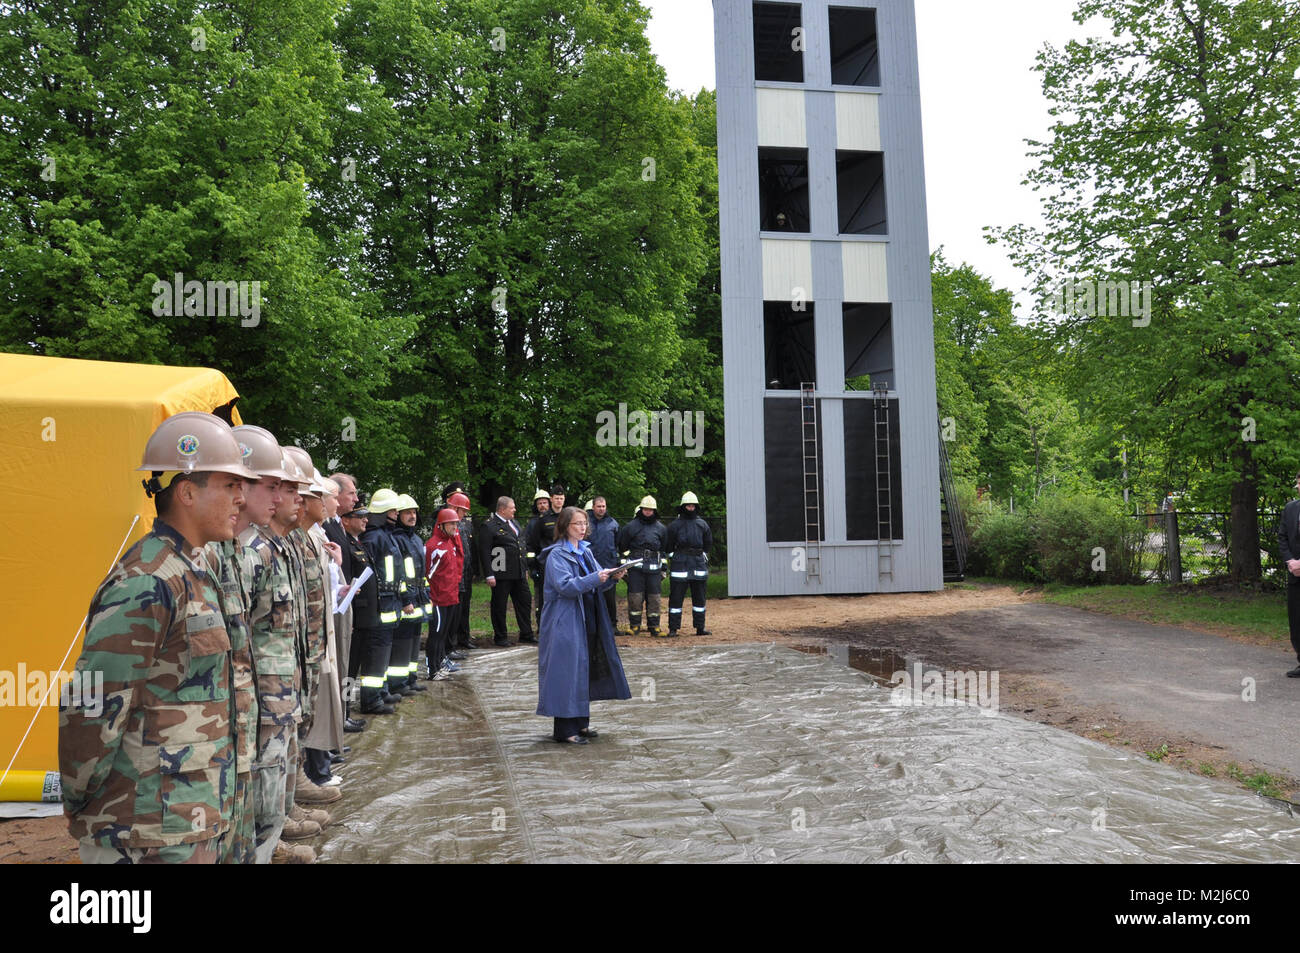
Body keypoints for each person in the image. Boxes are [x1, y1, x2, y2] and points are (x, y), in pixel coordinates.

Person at [60, 411, 258, 864]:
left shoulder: (197, 566)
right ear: (187, 491)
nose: (241, 499)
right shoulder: (145, 581)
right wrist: (84, 804)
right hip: (145, 828)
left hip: (191, 814)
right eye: (230, 485)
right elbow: (92, 704)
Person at [232, 429, 316, 863]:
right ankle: (264, 845)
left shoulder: (275, 546)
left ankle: (271, 838)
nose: (294, 498)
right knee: (263, 772)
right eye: (281, 488)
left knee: (276, 767)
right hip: (262, 690)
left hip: (281, 683)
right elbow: (240, 633)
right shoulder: (252, 550)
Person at [537, 507, 631, 743]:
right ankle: (565, 730)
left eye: (584, 524)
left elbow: (598, 579)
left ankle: (581, 724)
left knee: (583, 669)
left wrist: (612, 575)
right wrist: (595, 578)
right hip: (565, 619)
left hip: (585, 617)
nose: (582, 528)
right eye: (577, 524)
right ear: (564, 526)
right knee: (566, 671)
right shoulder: (557, 555)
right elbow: (565, 586)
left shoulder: (585, 551)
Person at [357, 489, 406, 712]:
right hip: (380, 606)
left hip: (390, 603)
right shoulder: (373, 538)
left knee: (384, 651)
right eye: (393, 510)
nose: (396, 514)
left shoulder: (385, 536)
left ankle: (381, 691)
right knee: (376, 651)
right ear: (382, 512)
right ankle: (371, 699)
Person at [480, 496, 535, 646]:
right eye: (512, 507)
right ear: (502, 509)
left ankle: (526, 633)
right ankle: (501, 637)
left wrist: (524, 568)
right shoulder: (490, 526)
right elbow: (484, 552)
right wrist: (489, 574)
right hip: (501, 573)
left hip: (518, 572)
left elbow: (521, 546)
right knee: (499, 605)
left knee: (525, 601)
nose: (515, 510)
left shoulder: (514, 523)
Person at [393, 494, 432, 692]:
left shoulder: (416, 539)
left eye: (414, 512)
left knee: (415, 640)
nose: (412, 516)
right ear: (398, 514)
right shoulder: (397, 539)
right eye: (408, 512)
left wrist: (425, 593)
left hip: (418, 596)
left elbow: (421, 570)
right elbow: (399, 573)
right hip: (406, 599)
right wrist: (406, 598)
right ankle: (399, 684)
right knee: (403, 641)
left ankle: (411, 679)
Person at [617, 496, 667, 637]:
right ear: (641, 509)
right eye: (645, 509)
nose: (648, 511)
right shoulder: (630, 527)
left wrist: (663, 569)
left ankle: (654, 627)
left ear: (654, 511)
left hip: (654, 570)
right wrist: (625, 567)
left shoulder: (661, 529)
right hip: (635, 570)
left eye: (650, 509)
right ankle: (634, 626)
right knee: (635, 598)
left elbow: (662, 551)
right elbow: (622, 548)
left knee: (654, 599)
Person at [665, 491, 714, 637]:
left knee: (699, 599)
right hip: (680, 565)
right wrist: (676, 556)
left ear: (696, 507)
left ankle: (700, 628)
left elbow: (708, 543)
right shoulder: (674, 526)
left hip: (698, 565)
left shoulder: (702, 524)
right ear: (683, 506)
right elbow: (668, 546)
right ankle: (673, 629)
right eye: (688, 505)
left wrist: (702, 555)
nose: (691, 508)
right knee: (675, 599)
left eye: (693, 505)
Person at [425, 507, 465, 679]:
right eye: (451, 523)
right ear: (441, 525)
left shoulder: (450, 543)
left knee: (443, 634)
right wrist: (430, 596)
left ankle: (440, 663)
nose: (455, 526)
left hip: (451, 596)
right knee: (436, 634)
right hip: (438, 599)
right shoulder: (433, 546)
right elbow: (427, 574)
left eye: (456, 523)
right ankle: (432, 669)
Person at [1277, 471, 1300, 677]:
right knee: (1296, 619)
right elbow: (1282, 538)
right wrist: (1291, 562)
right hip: (1295, 575)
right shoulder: (1290, 508)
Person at [587, 497, 620, 630]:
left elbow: (618, 544)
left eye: (603, 506)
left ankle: (613, 626)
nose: (601, 509)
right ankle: (592, 626)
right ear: (593, 507)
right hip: (591, 567)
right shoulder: (586, 523)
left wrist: (617, 565)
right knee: (591, 598)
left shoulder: (613, 524)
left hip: (609, 566)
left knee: (610, 599)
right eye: (599, 506)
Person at [525, 489, 553, 627]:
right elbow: (530, 546)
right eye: (540, 503)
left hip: (553, 564)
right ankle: (541, 625)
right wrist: (532, 567)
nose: (542, 506)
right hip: (539, 565)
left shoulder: (556, 519)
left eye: (545, 502)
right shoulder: (532, 523)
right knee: (540, 597)